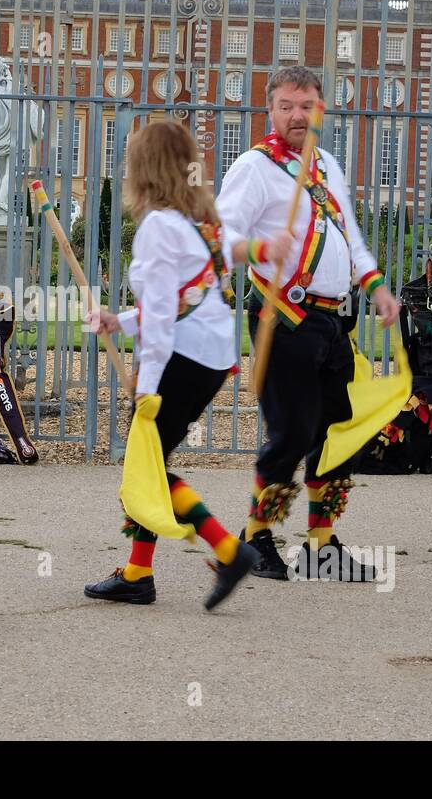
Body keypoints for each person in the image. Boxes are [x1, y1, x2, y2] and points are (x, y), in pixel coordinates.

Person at [217, 65, 399, 583]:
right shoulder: (255, 168)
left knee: (337, 433)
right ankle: (256, 536)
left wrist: (376, 285)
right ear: (270, 111)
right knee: (291, 434)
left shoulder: (328, 167)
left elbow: (352, 238)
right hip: (285, 316)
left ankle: (321, 544)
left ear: (321, 109)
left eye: (306, 105)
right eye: (286, 106)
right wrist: (254, 247)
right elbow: (220, 233)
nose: (297, 115)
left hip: (332, 323)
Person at [84, 120, 261, 609]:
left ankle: (228, 551)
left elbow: (163, 319)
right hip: (209, 356)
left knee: (147, 465)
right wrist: (119, 321)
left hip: (182, 358)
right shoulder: (198, 222)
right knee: (151, 461)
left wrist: (148, 386)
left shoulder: (160, 227)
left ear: (145, 170)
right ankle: (139, 571)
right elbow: (186, 300)